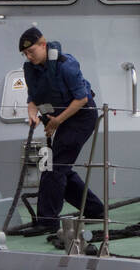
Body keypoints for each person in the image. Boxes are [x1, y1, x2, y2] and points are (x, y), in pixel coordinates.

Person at [19, 27, 104, 239]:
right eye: (25, 54)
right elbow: (33, 98)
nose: (29, 57)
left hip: (81, 117)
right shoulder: (31, 69)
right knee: (60, 167)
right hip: (59, 117)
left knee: (53, 166)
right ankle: (95, 210)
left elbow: (81, 99)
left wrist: (57, 121)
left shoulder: (67, 65)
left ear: (43, 45)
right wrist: (33, 115)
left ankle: (48, 220)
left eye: (32, 52)